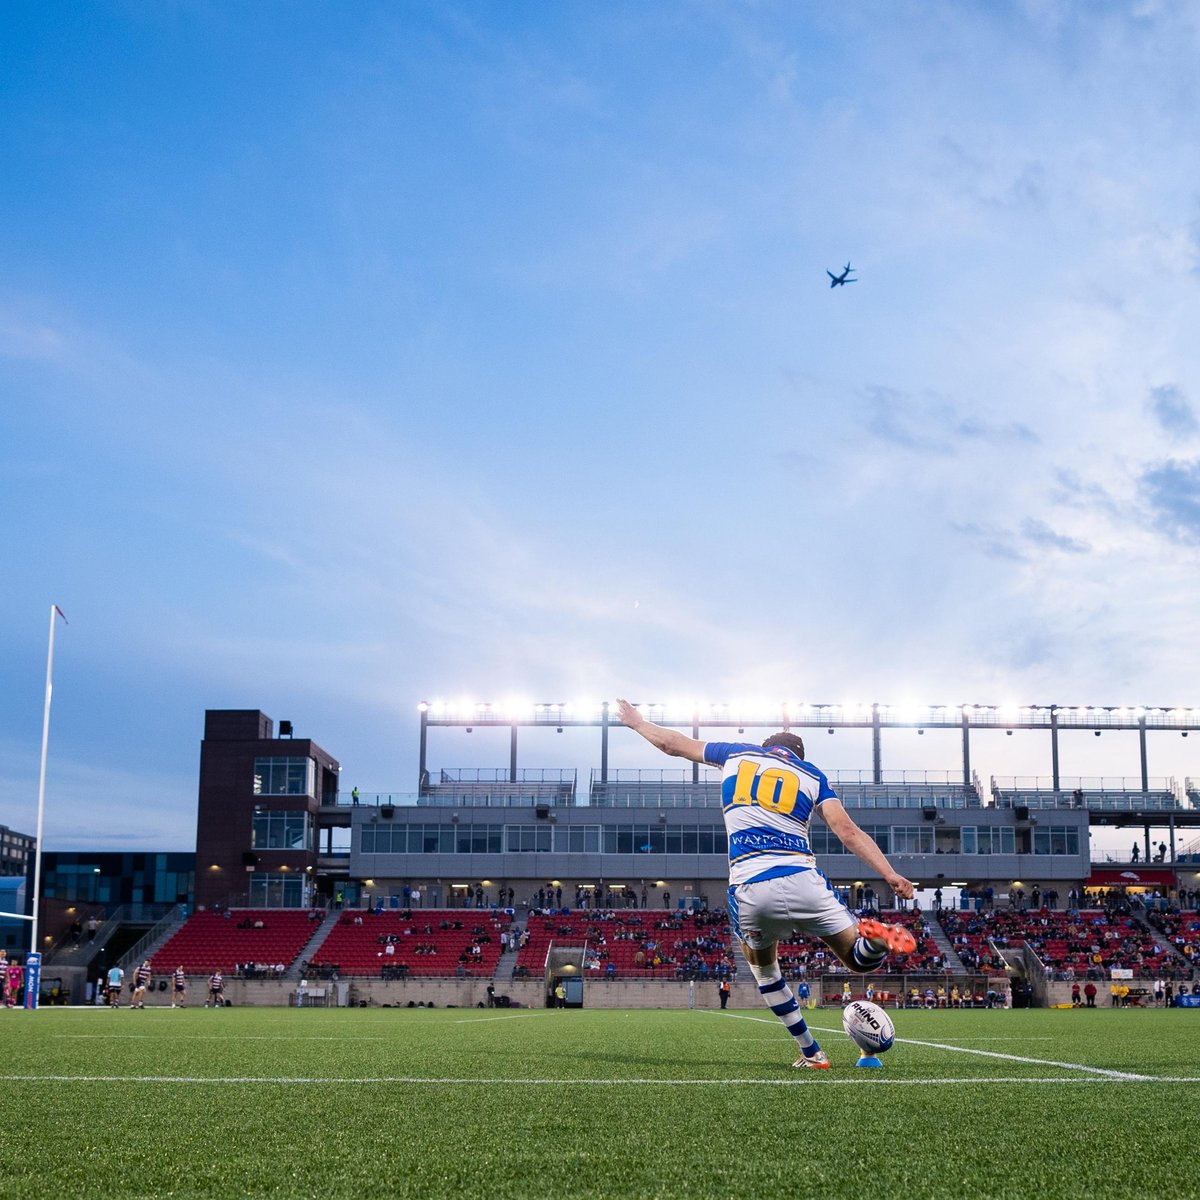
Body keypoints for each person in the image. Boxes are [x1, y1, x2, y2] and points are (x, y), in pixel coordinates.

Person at [616, 698, 916, 1070]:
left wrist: (637, 722)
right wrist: (890, 874)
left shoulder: (738, 754)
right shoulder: (812, 776)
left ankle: (812, 1052)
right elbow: (848, 832)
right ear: (799, 756)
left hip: (751, 884)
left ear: (765, 747)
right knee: (858, 960)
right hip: (803, 879)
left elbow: (671, 744)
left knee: (765, 971)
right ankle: (873, 937)